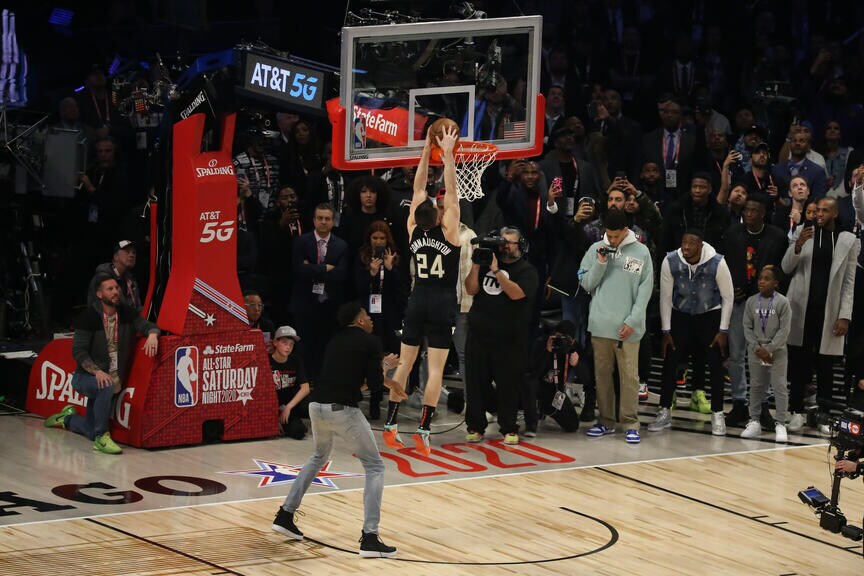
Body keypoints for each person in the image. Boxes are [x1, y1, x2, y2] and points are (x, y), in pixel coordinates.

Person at [271, 302, 406, 558]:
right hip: (342, 410)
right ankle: (370, 538)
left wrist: (389, 381)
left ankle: (285, 515)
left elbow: (352, 382)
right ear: (360, 320)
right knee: (375, 466)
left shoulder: (335, 340)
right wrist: (385, 367)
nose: (371, 319)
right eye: (367, 316)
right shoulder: (371, 342)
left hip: (316, 407)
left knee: (318, 456)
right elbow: (372, 385)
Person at [382, 123, 460, 455]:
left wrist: (427, 150)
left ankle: (390, 424)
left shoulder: (413, 228)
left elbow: (417, 188)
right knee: (436, 369)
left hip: (418, 298)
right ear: (439, 216)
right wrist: (449, 155)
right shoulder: (450, 231)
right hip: (442, 301)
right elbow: (452, 191)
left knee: (405, 364)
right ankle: (424, 429)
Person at [44, 274, 160, 454]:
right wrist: (97, 372)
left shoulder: (126, 313)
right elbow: (79, 352)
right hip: (85, 377)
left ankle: (67, 419)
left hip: (112, 377)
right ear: (99, 294)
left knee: (89, 429)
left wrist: (152, 334)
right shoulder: (89, 317)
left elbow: (146, 325)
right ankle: (102, 437)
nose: (116, 292)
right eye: (110, 289)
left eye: (116, 288)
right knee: (106, 385)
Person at [782, 197, 858, 433]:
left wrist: (845, 315)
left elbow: (849, 282)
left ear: (835, 213)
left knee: (826, 365)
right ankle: (796, 411)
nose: (819, 214)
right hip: (801, 310)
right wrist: (797, 246)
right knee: (799, 363)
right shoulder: (802, 233)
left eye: (825, 210)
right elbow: (786, 267)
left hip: (829, 312)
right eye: (817, 211)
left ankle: (824, 416)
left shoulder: (847, 240)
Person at [578, 209, 654, 443]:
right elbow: (586, 284)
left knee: (630, 377)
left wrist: (633, 320)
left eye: (616, 236)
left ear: (625, 231)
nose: (611, 240)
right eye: (608, 235)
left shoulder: (641, 252)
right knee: (602, 376)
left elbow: (645, 290)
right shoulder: (595, 250)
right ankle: (605, 421)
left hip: (628, 328)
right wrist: (600, 263)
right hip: (600, 325)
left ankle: (630, 423)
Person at [649, 229, 733, 435]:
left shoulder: (717, 262)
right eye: (684, 243)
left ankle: (717, 413)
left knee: (715, 365)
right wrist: (666, 330)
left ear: (701, 245)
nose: (686, 247)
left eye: (691, 244)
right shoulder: (670, 261)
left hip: (709, 316)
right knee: (670, 362)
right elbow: (665, 297)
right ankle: (664, 410)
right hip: (680, 315)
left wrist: (723, 330)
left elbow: (728, 297)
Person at [463, 226, 538, 444]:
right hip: (479, 335)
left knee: (508, 386)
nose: (505, 246)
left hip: (509, 339)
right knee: (476, 384)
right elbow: (471, 289)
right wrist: (476, 264)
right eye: (502, 242)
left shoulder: (527, 271)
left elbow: (516, 294)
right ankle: (475, 426)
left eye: (510, 243)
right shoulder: (485, 263)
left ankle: (508, 427)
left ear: (520, 245)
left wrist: (497, 271)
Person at [721, 198, 788, 427]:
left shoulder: (777, 236)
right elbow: (724, 266)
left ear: (763, 214)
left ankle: (762, 405)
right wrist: (730, 289)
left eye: (754, 210)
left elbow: (782, 270)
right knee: (736, 355)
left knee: (764, 354)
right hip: (739, 302)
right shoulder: (732, 234)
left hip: (765, 303)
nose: (749, 213)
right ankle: (739, 402)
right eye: (746, 210)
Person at [290, 203, 350, 380]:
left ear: (333, 221)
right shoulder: (301, 242)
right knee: (305, 345)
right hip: (305, 302)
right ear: (314, 220)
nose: (323, 222)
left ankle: (324, 380)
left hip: (330, 304)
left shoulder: (342, 245)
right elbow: (298, 270)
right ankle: (304, 381)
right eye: (320, 218)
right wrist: (325, 268)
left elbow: (341, 274)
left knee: (327, 343)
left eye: (327, 219)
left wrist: (312, 268)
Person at [353, 220, 403, 420]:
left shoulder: (394, 257)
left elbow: (400, 287)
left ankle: (382, 397)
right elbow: (357, 286)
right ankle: (369, 396)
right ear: (369, 238)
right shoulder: (362, 256)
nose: (379, 242)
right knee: (368, 353)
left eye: (382, 238)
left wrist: (390, 269)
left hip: (388, 313)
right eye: (375, 238)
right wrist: (371, 274)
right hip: (368, 312)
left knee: (385, 354)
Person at [741, 266, 791, 442]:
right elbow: (747, 327)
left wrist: (769, 349)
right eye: (760, 278)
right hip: (756, 350)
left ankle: (781, 423)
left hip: (777, 351)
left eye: (767, 278)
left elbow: (784, 330)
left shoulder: (783, 302)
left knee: (779, 386)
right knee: (756, 385)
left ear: (776, 283)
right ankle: (754, 421)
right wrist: (757, 348)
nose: (761, 281)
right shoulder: (751, 302)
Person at [270, 325, 310, 440]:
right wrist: (272, 417)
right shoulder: (266, 361)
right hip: (270, 407)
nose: (288, 347)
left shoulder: (295, 360)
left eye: (291, 344)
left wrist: (288, 407)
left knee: (299, 432)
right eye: (284, 343)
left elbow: (305, 388)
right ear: (275, 342)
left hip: (289, 405)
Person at [87, 240, 142, 309]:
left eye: (134, 252)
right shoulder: (103, 278)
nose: (132, 255)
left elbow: (137, 307)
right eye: (127, 252)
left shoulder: (130, 279)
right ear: (116, 256)